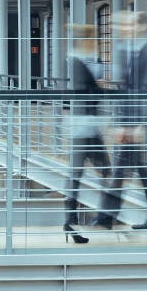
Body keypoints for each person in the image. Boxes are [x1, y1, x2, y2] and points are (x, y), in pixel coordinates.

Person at [92, 11, 147, 230]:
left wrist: (134, 125)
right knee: (138, 168)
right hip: (130, 120)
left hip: (135, 122)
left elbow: (140, 91)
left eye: (129, 25)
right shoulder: (130, 50)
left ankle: (106, 218)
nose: (124, 29)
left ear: (141, 27)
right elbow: (126, 89)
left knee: (124, 170)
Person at [63, 24, 111, 244]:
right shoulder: (76, 61)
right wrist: (99, 86)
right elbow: (87, 91)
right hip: (84, 127)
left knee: (81, 173)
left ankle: (78, 220)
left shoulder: (81, 60)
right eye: (93, 39)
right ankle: (100, 216)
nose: (96, 44)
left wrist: (97, 85)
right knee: (90, 172)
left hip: (86, 126)